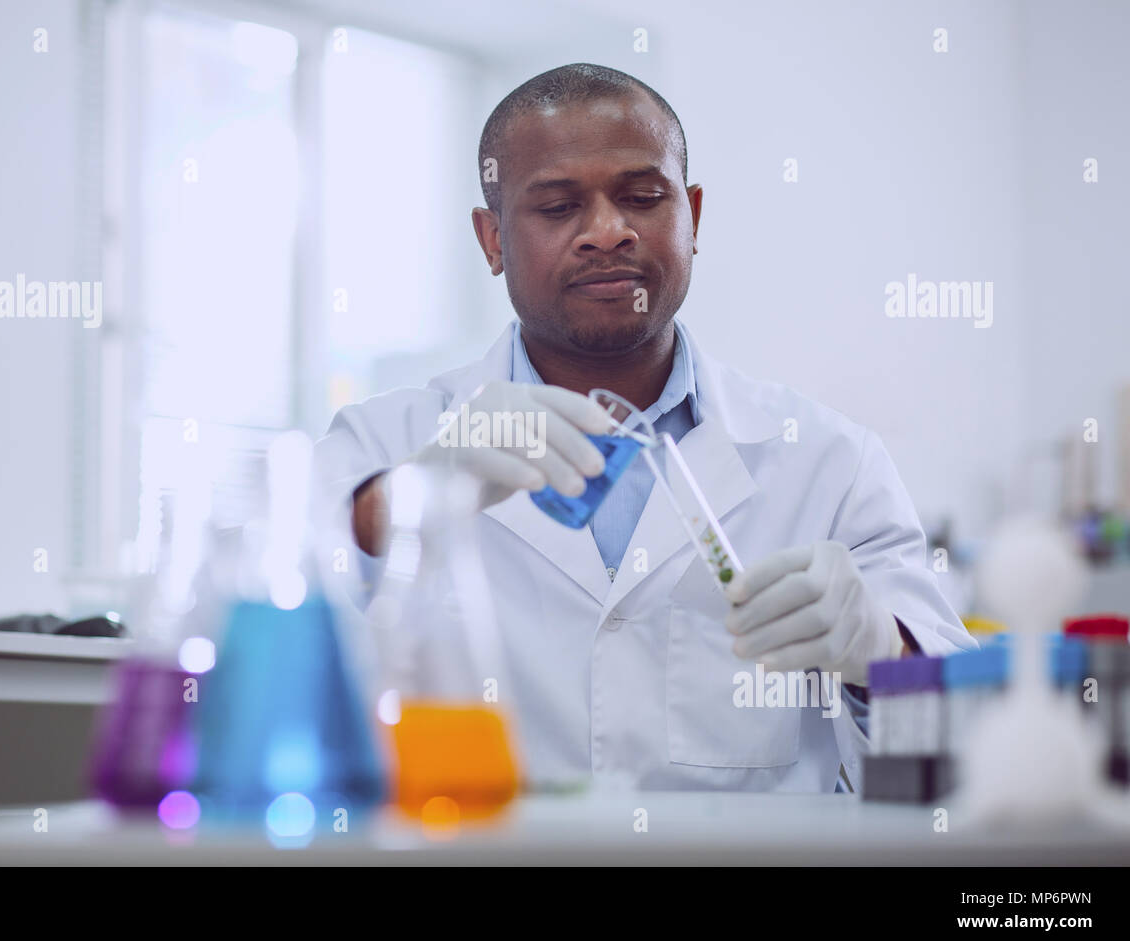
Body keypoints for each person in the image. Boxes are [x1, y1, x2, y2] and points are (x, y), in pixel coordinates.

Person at [314, 63, 974, 792]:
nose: (607, 232)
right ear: (492, 239)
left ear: (693, 216)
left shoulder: (831, 463)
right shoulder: (385, 441)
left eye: (643, 197)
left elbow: (959, 758)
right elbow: (272, 643)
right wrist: (409, 501)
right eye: (558, 206)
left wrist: (883, 653)